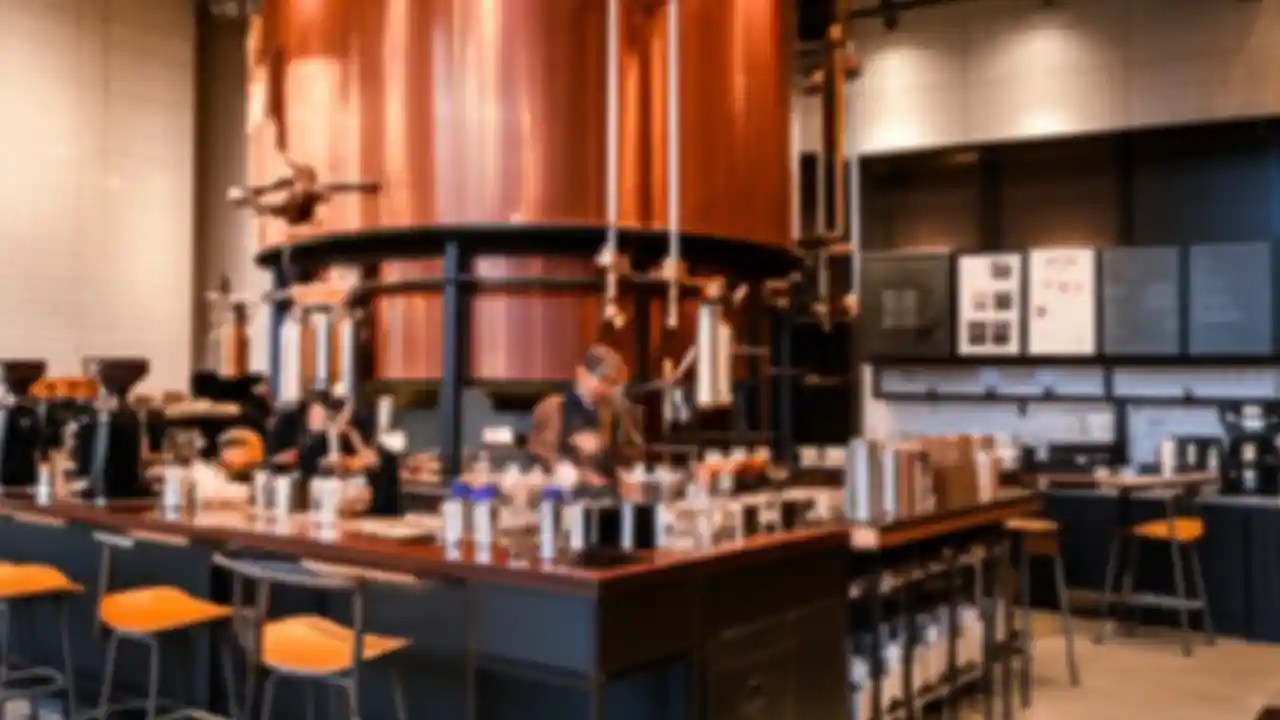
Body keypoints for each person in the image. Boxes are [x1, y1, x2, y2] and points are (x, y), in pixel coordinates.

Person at [528, 344, 644, 497]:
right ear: (582, 373)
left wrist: (603, 447)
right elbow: (540, 454)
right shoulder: (553, 407)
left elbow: (629, 455)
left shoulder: (614, 412)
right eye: (602, 380)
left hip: (606, 495)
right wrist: (573, 460)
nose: (605, 388)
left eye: (612, 383)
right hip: (565, 497)